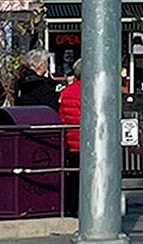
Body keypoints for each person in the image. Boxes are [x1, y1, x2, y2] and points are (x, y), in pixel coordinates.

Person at [58, 58, 82, 218]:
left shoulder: (65, 92)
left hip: (71, 140)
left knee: (73, 177)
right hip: (88, 142)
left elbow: (62, 117)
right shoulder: (92, 91)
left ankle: (71, 209)